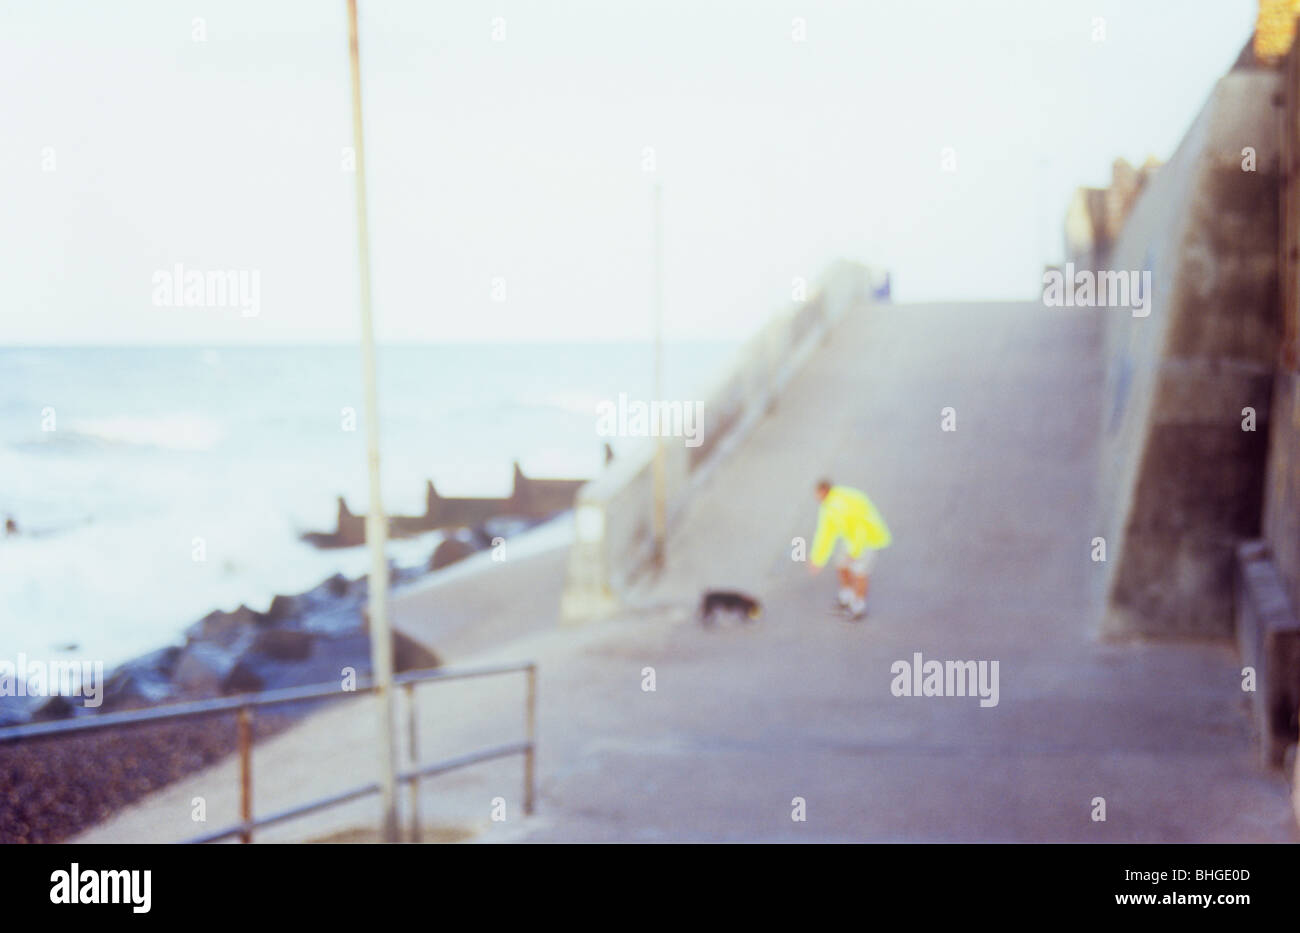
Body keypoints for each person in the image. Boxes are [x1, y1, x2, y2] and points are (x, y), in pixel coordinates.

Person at [808, 478, 891, 619]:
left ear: (824, 491)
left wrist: (855, 553)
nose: (816, 498)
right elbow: (825, 533)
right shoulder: (828, 505)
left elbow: (860, 527)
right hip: (851, 537)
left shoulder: (843, 504)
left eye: (817, 494)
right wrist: (817, 559)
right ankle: (846, 597)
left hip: (868, 539)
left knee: (859, 572)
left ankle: (858, 607)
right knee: (841, 565)